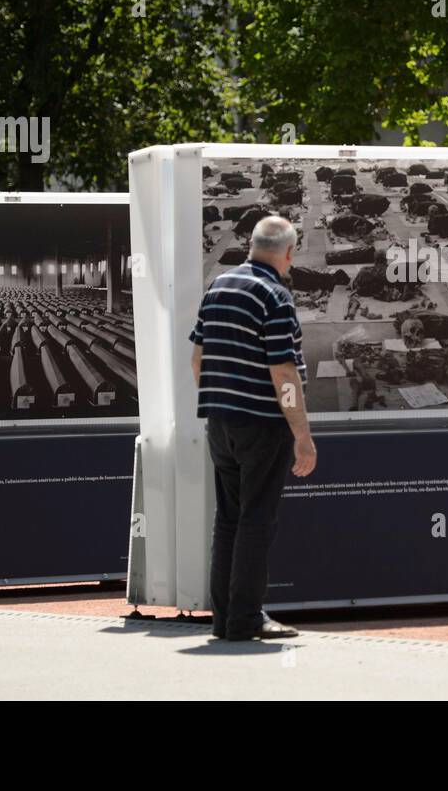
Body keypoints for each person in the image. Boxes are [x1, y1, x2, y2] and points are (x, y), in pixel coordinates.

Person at [190, 214, 317, 641]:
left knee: (228, 520)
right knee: (257, 521)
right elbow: (283, 371)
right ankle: (245, 619)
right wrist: (302, 435)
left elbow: (198, 357)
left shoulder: (221, 285)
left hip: (220, 422)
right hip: (262, 425)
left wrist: (221, 399)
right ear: (288, 252)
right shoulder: (275, 295)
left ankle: (225, 618)